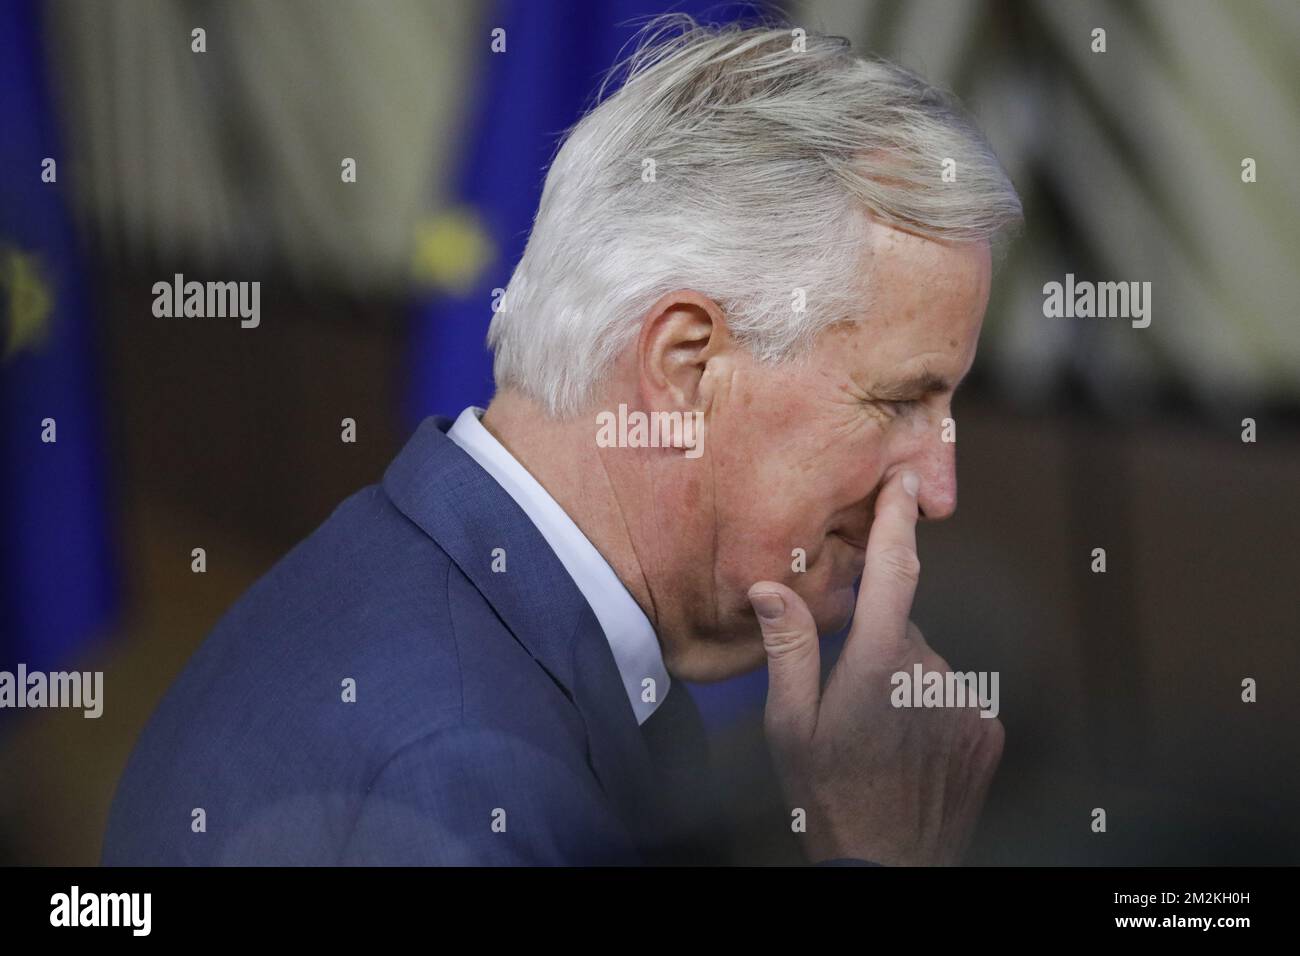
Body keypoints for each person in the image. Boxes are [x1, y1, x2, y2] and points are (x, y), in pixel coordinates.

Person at [103, 17, 1020, 866]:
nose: (938, 488)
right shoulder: (464, 770)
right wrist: (870, 851)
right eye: (901, 400)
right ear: (687, 368)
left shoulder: (446, 600)